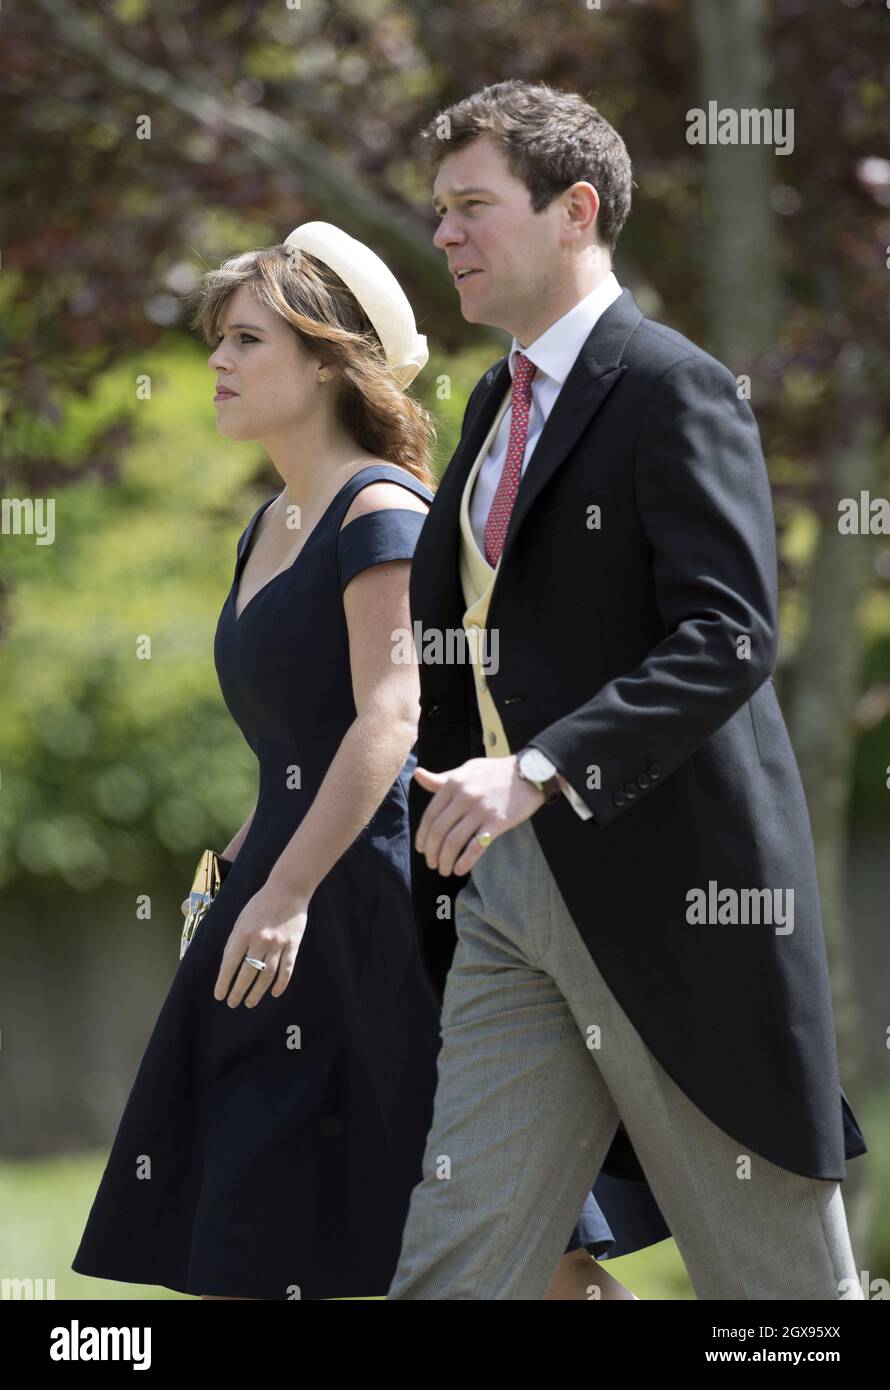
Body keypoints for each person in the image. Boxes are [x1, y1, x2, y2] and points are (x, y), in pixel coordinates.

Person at [70, 221, 668, 1300]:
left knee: (532, 1255)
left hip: (389, 912)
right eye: (217, 338)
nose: (216, 360)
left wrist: (286, 889)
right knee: (257, 1222)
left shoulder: (378, 511)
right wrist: (241, 871)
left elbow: (390, 714)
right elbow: (294, 745)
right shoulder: (267, 524)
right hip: (289, 900)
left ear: (326, 360)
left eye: (246, 339)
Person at [387, 80, 868, 1301]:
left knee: (780, 1299)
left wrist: (538, 767)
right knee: (455, 1266)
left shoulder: (672, 386)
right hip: (504, 899)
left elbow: (728, 636)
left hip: (674, 904)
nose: (442, 235)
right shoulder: (493, 401)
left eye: (471, 207)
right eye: (437, 210)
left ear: (574, 210)